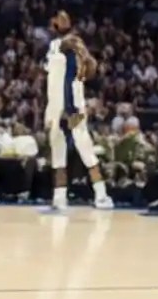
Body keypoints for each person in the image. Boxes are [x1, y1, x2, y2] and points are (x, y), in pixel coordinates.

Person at [43, 11, 112, 211]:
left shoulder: (72, 43)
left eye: (64, 17)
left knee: (84, 149)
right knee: (59, 153)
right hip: (56, 109)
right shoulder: (53, 46)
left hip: (73, 108)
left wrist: (71, 108)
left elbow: (85, 71)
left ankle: (100, 195)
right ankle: (60, 198)